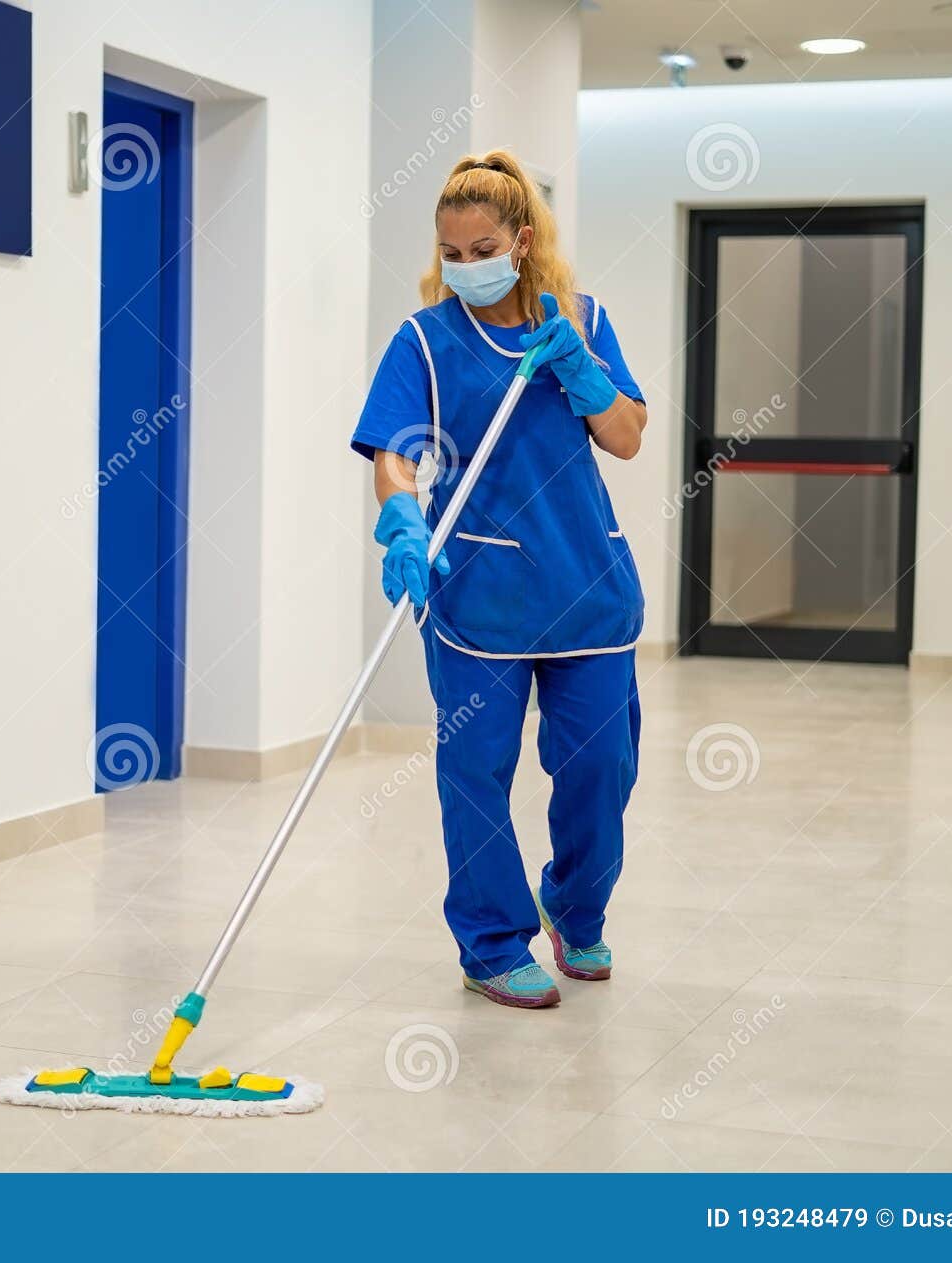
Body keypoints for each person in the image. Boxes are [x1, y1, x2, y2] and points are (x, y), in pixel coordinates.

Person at [350, 150, 647, 1008]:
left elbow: (625, 436)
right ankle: (489, 942)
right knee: (475, 770)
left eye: (482, 248)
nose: (465, 266)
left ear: (521, 241)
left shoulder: (582, 319)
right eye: (453, 251)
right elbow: (396, 452)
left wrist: (583, 374)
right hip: (479, 590)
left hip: (589, 586)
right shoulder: (426, 338)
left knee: (601, 765)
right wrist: (402, 517)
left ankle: (574, 904)